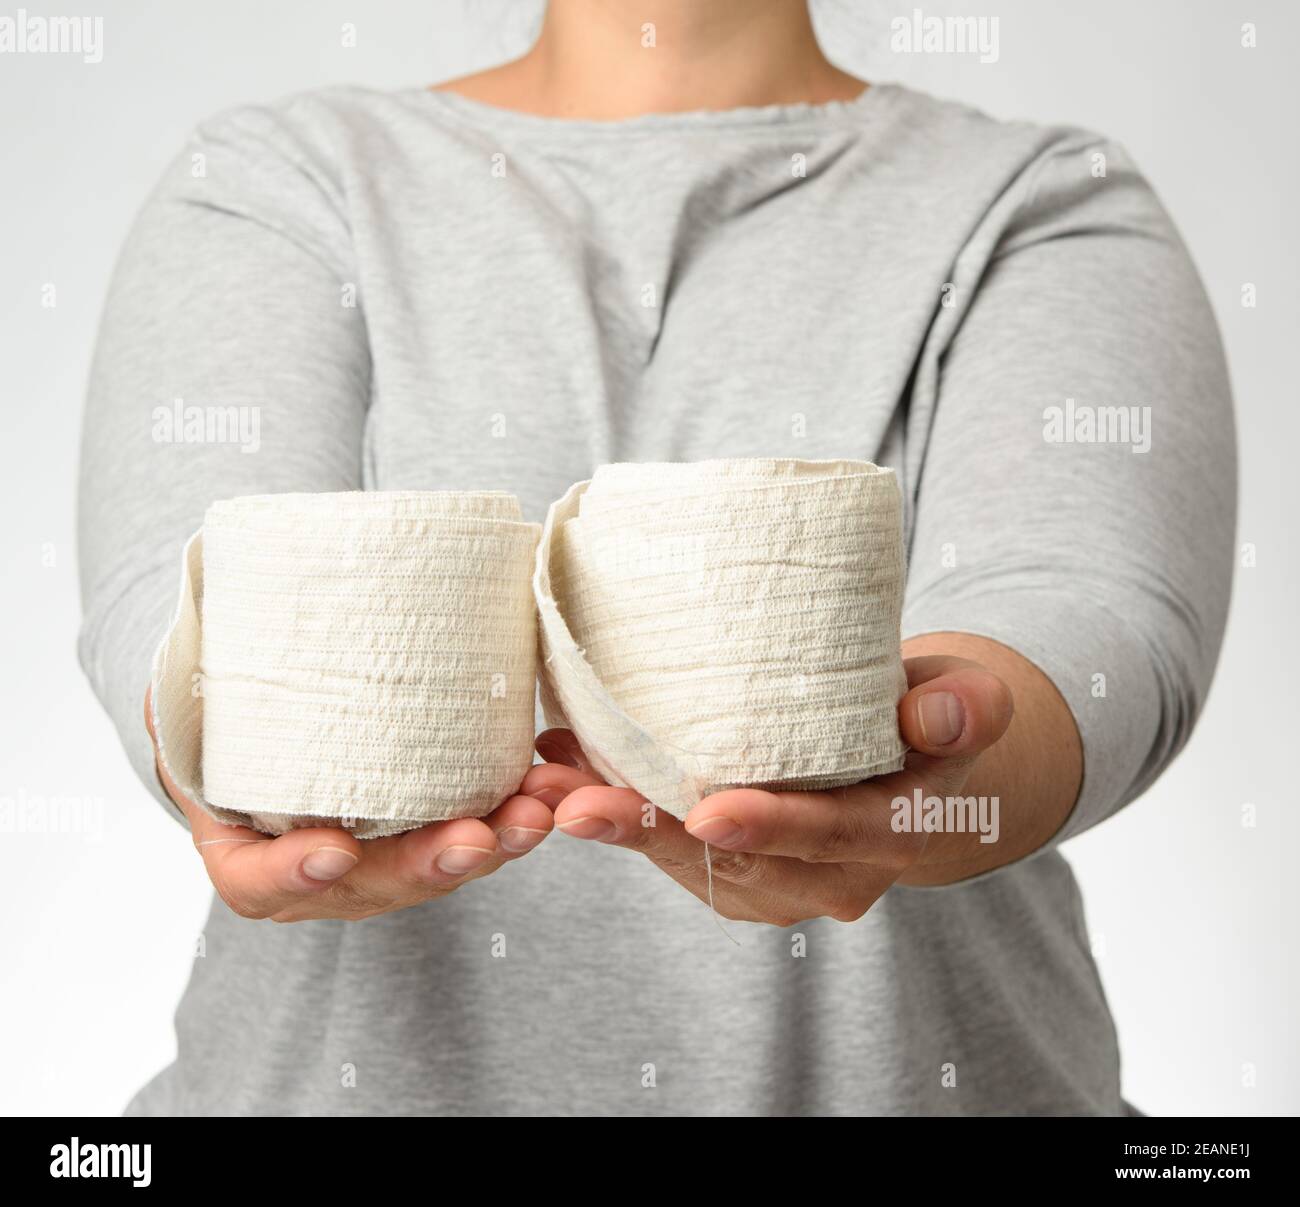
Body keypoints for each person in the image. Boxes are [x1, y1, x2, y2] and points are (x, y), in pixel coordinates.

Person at [77, 0, 1235, 1115]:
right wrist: (210, 759)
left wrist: (939, 782)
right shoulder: (279, 177)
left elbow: (1094, 619)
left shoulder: (1035, 199)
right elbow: (173, 602)